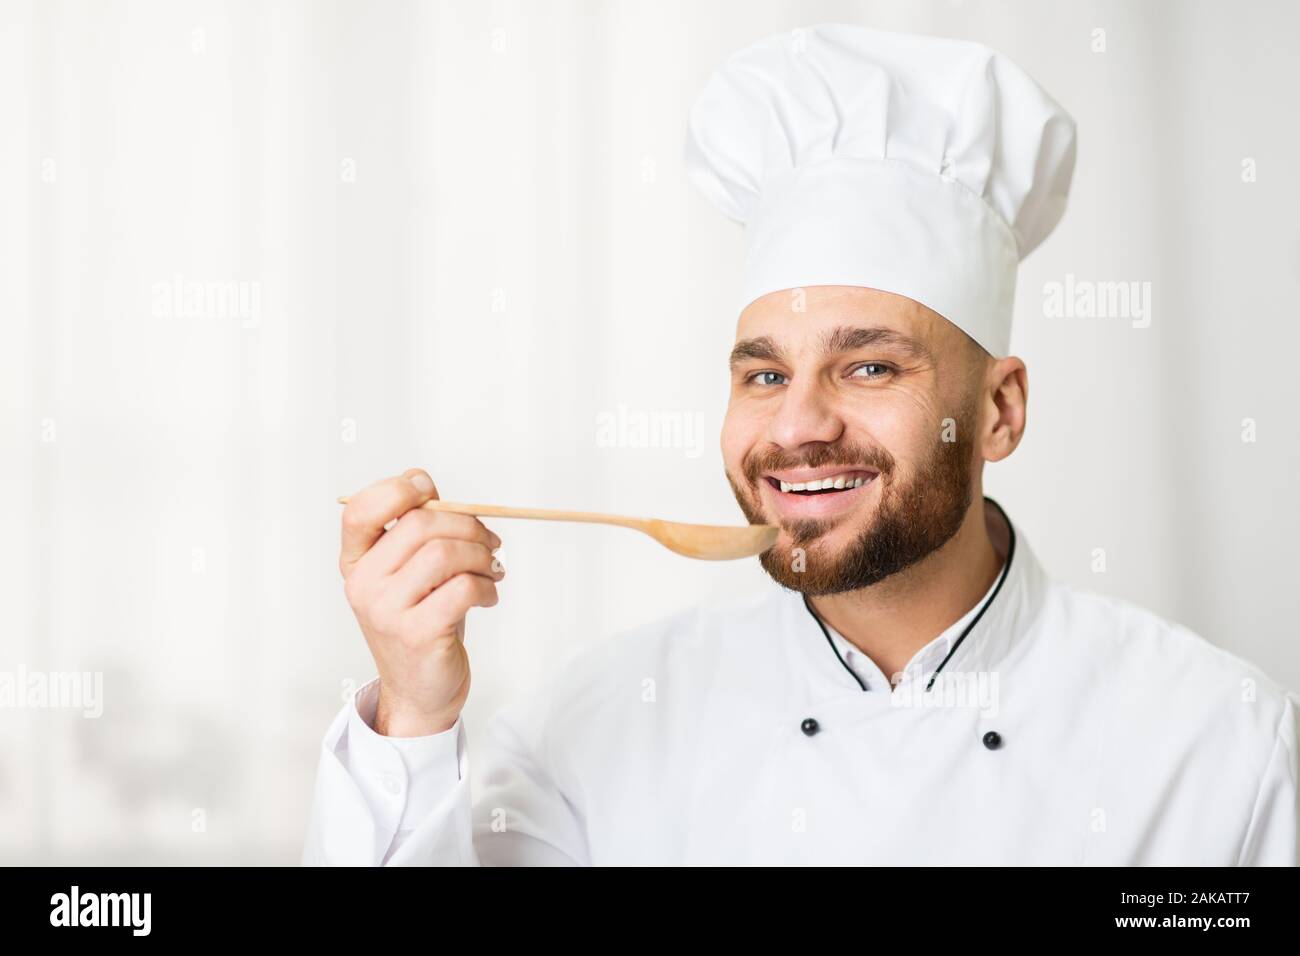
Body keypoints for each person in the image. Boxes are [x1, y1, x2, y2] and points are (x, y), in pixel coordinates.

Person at [303, 24, 1298, 866]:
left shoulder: (1216, 740)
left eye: (868, 367)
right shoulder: (593, 725)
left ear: (998, 408)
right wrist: (414, 711)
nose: (794, 425)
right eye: (764, 374)